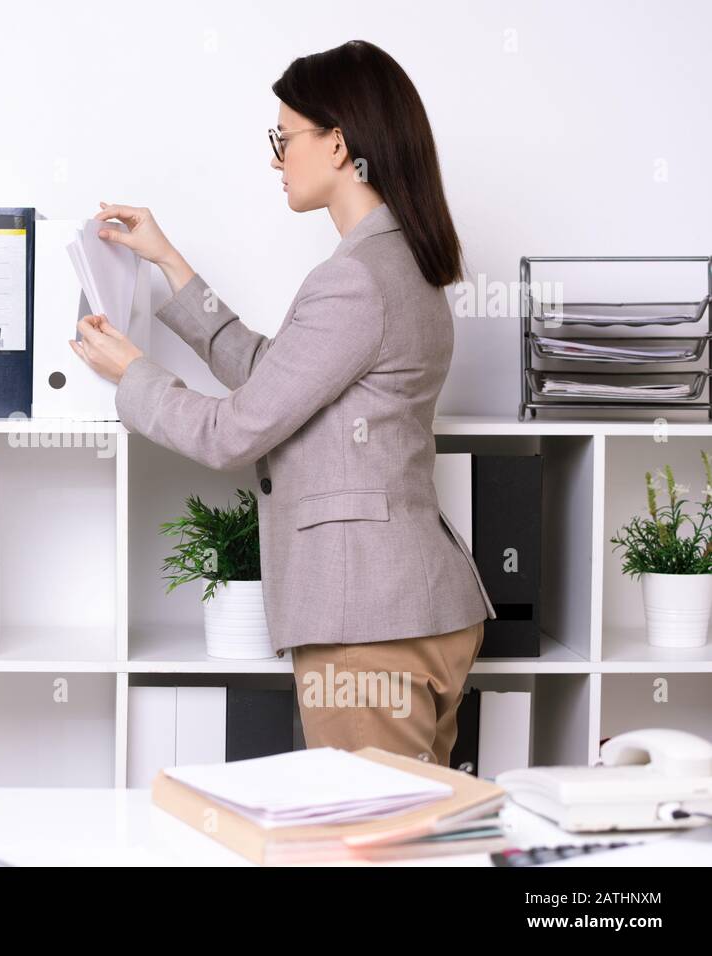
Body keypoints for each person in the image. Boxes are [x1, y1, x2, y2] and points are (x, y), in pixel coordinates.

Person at [71, 39, 496, 767]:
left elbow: (233, 432)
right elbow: (275, 375)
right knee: (420, 834)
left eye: (284, 136)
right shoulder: (401, 262)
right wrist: (171, 263)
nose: (276, 157)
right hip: (418, 609)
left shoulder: (355, 277)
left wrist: (134, 374)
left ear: (337, 143)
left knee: (372, 840)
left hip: (369, 628)